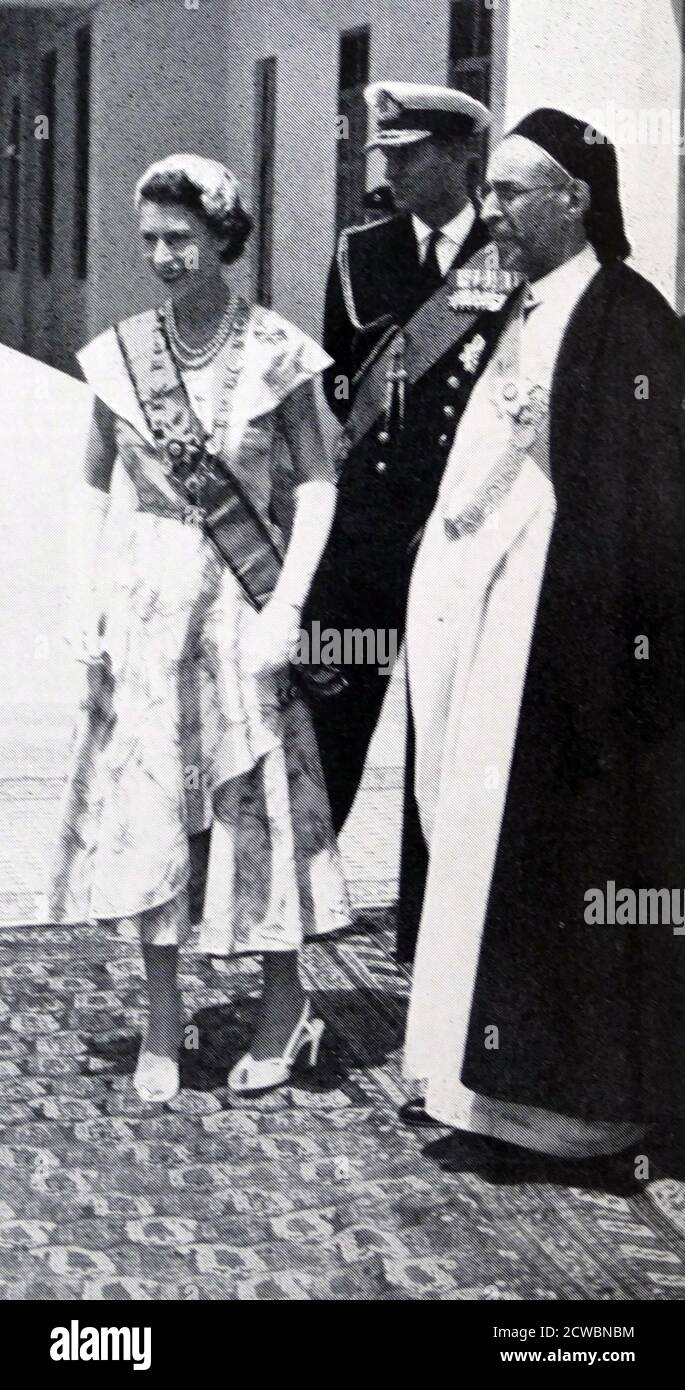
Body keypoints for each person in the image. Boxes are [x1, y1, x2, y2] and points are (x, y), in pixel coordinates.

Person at [401, 108, 685, 1171]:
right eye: (492, 193)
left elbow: (643, 512)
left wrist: (601, 653)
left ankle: (567, 1108)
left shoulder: (630, 321)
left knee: (554, 863)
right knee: (473, 843)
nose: (493, 214)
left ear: (574, 198)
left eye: (513, 194)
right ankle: (475, 1081)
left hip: (570, 660)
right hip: (495, 638)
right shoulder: (514, 306)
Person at [50, 154, 350, 1103]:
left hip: (239, 611)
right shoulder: (120, 353)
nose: (164, 255)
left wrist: (291, 607)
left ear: (225, 235)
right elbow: (90, 485)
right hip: (149, 606)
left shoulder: (277, 351)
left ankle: (280, 1007)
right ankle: (163, 1021)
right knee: (151, 810)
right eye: (150, 239)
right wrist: (84, 596)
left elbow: (316, 481)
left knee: (253, 805)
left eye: (181, 237)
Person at [305, 83, 516, 958]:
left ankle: (428, 929)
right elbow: (337, 381)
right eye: (386, 155)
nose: (392, 168)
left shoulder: (508, 256)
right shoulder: (362, 253)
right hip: (366, 533)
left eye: (409, 153)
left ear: (464, 156)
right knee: (326, 711)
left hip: (460, 528)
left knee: (446, 724)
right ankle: (300, 901)